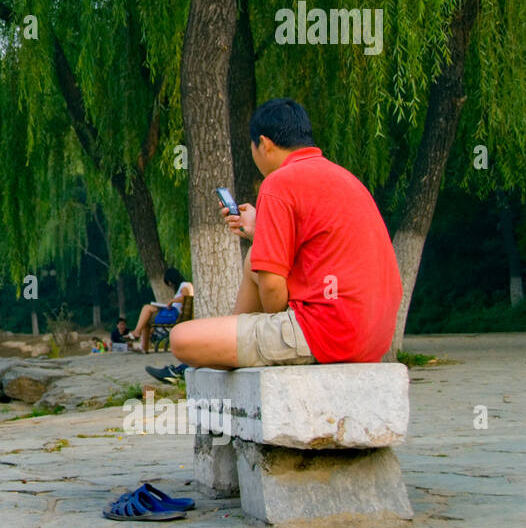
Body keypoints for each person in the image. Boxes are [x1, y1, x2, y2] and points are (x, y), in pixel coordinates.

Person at [168, 98, 402, 373]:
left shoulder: (278, 182)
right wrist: (261, 230)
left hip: (327, 333)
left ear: (264, 143)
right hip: (373, 336)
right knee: (254, 261)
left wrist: (277, 326)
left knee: (181, 339)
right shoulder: (344, 177)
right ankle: (232, 341)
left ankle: (230, 348)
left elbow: (271, 286)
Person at [126, 269, 193, 353]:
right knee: (146, 318)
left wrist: (172, 301)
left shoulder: (184, 285)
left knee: (147, 308)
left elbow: (185, 297)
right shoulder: (187, 285)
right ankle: (143, 345)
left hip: (174, 315)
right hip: (174, 313)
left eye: (169, 283)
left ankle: (137, 333)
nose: (170, 285)